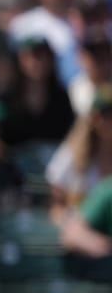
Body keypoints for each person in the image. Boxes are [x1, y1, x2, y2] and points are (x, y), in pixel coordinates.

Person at [47, 85, 112, 219]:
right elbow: (56, 206)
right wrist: (73, 227)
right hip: (79, 230)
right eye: (107, 114)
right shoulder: (71, 153)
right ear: (93, 118)